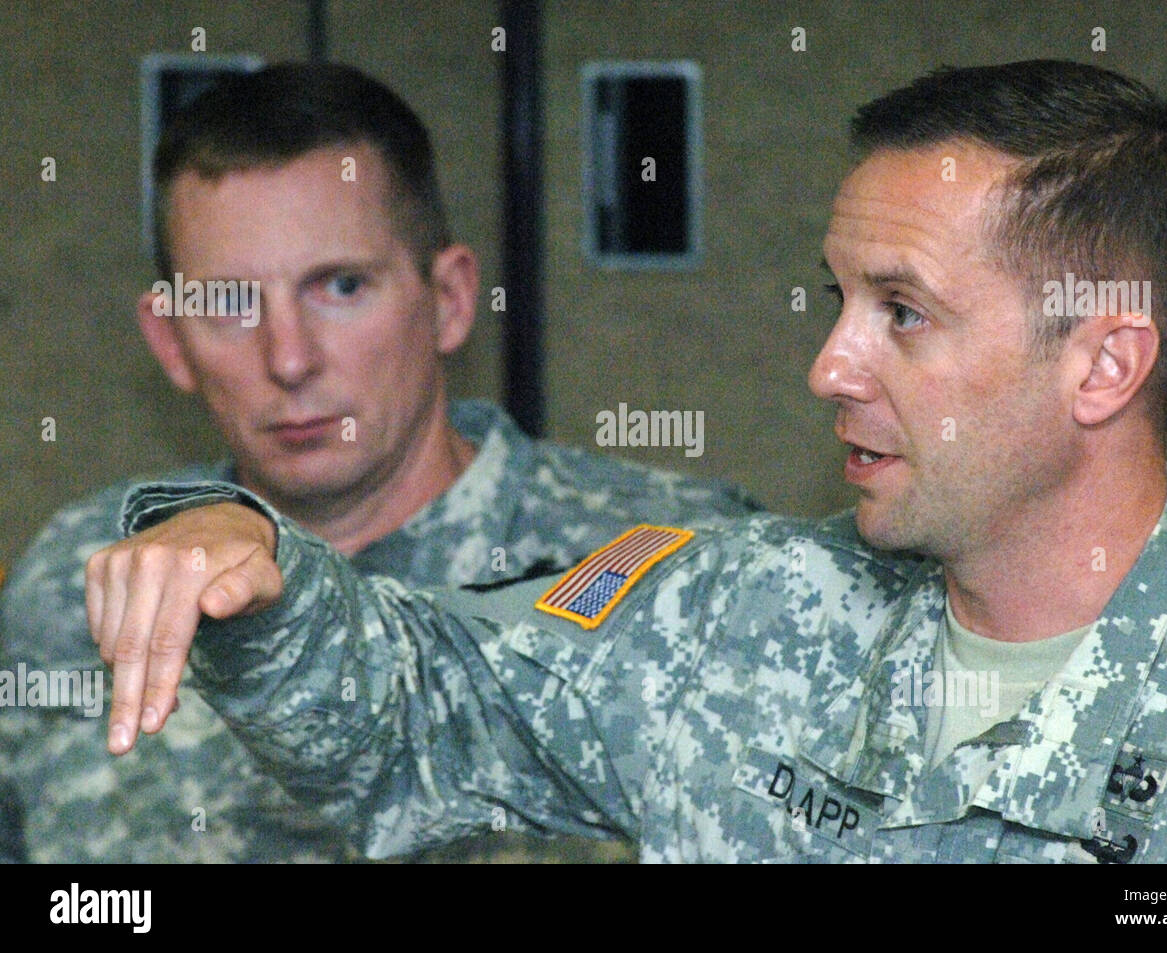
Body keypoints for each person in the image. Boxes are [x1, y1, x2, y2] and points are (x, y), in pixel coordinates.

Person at [89, 60, 1167, 863]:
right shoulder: (735, 609)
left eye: (904, 312)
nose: (831, 366)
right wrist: (248, 558)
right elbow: (414, 714)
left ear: (1102, 364)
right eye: (840, 300)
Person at [0, 62, 760, 864]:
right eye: (227, 305)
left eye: (341, 286)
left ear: (450, 299)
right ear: (170, 340)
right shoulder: (77, 580)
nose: (288, 358)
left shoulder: (674, 566)